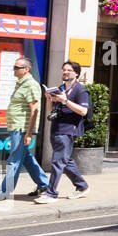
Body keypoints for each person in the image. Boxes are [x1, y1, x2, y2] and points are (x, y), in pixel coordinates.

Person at [0, 57, 50, 201]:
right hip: (16, 128)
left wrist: (28, 134)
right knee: (26, 158)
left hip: (21, 129)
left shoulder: (31, 85)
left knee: (14, 161)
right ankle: (44, 184)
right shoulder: (21, 84)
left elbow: (34, 110)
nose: (13, 70)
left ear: (26, 69)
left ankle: (4, 191)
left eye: (17, 67)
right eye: (14, 67)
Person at [34, 62, 91, 204]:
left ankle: (51, 193)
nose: (65, 72)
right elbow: (49, 111)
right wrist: (49, 98)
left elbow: (83, 111)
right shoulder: (59, 89)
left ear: (76, 73)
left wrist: (65, 101)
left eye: (69, 70)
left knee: (58, 161)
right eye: (64, 69)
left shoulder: (81, 90)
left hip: (68, 130)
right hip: (56, 128)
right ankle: (82, 186)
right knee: (65, 161)